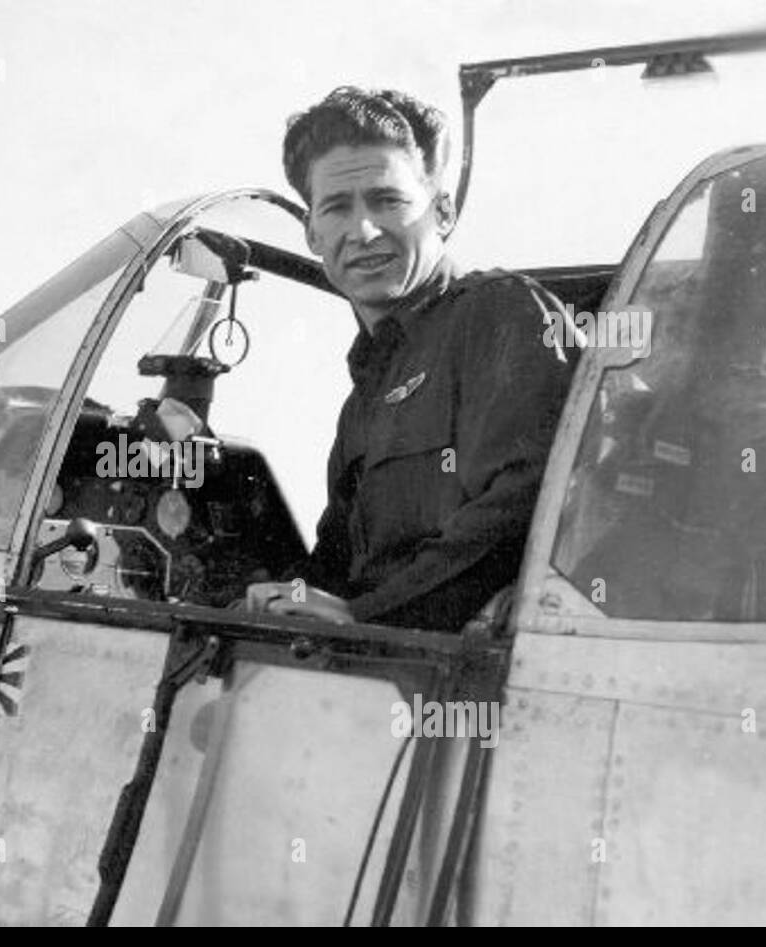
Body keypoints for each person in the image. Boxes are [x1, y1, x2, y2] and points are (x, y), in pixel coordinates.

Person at [246, 87, 574, 631]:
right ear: (312, 233)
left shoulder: (498, 315)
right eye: (336, 207)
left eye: (387, 201)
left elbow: (526, 506)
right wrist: (270, 598)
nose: (363, 231)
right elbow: (339, 559)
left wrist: (367, 618)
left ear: (441, 211)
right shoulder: (368, 391)